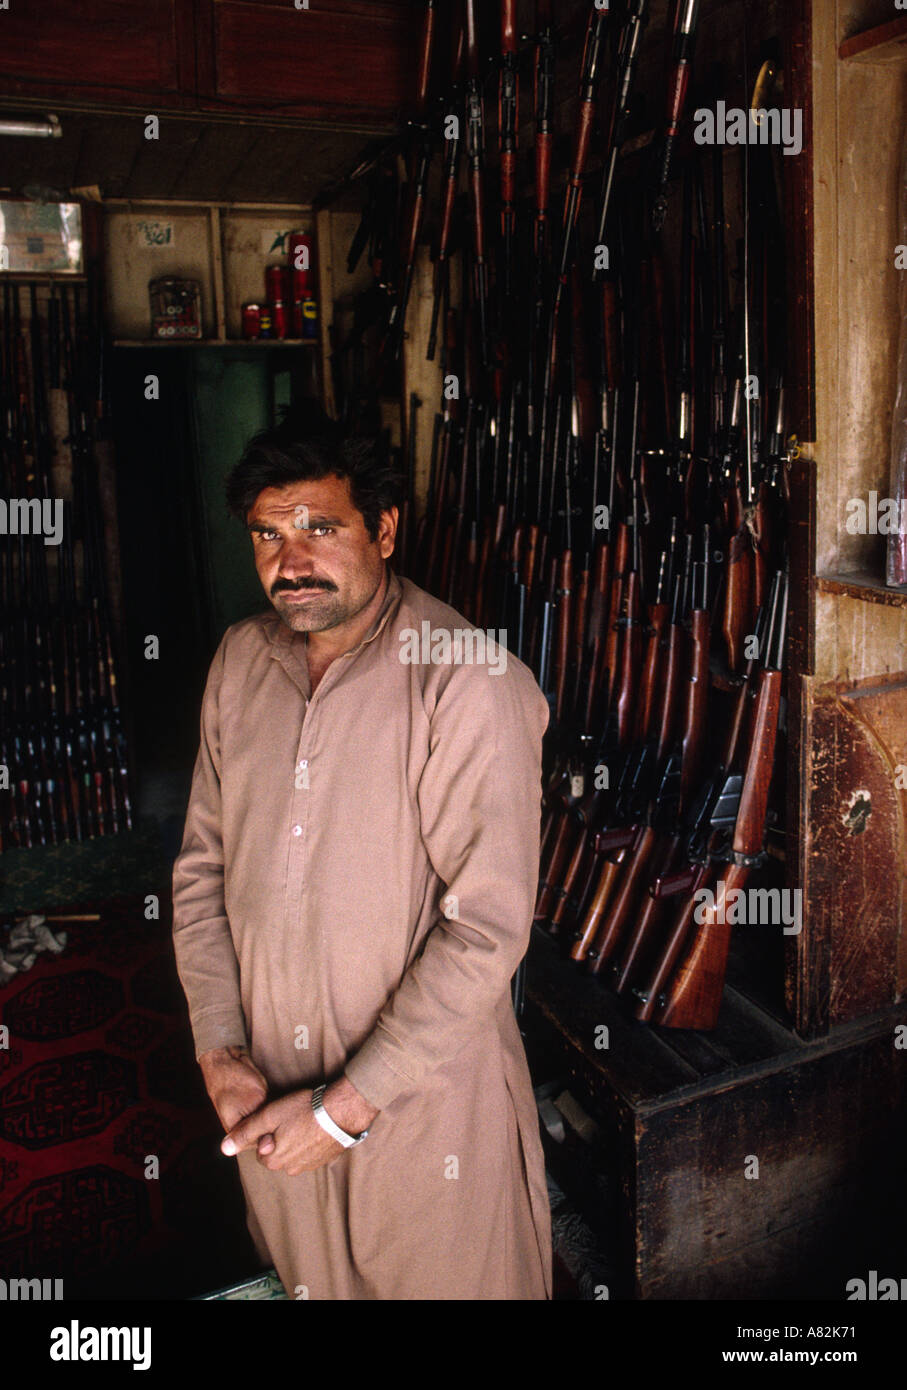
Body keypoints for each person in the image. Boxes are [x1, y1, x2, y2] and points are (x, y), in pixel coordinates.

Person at [171, 408, 552, 1300]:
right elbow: (198, 875)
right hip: (266, 1090)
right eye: (267, 534)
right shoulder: (238, 662)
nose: (288, 561)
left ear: (383, 529)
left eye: (319, 528)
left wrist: (344, 1113)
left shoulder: (465, 680)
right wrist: (219, 1048)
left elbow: (486, 932)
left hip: (422, 1108)